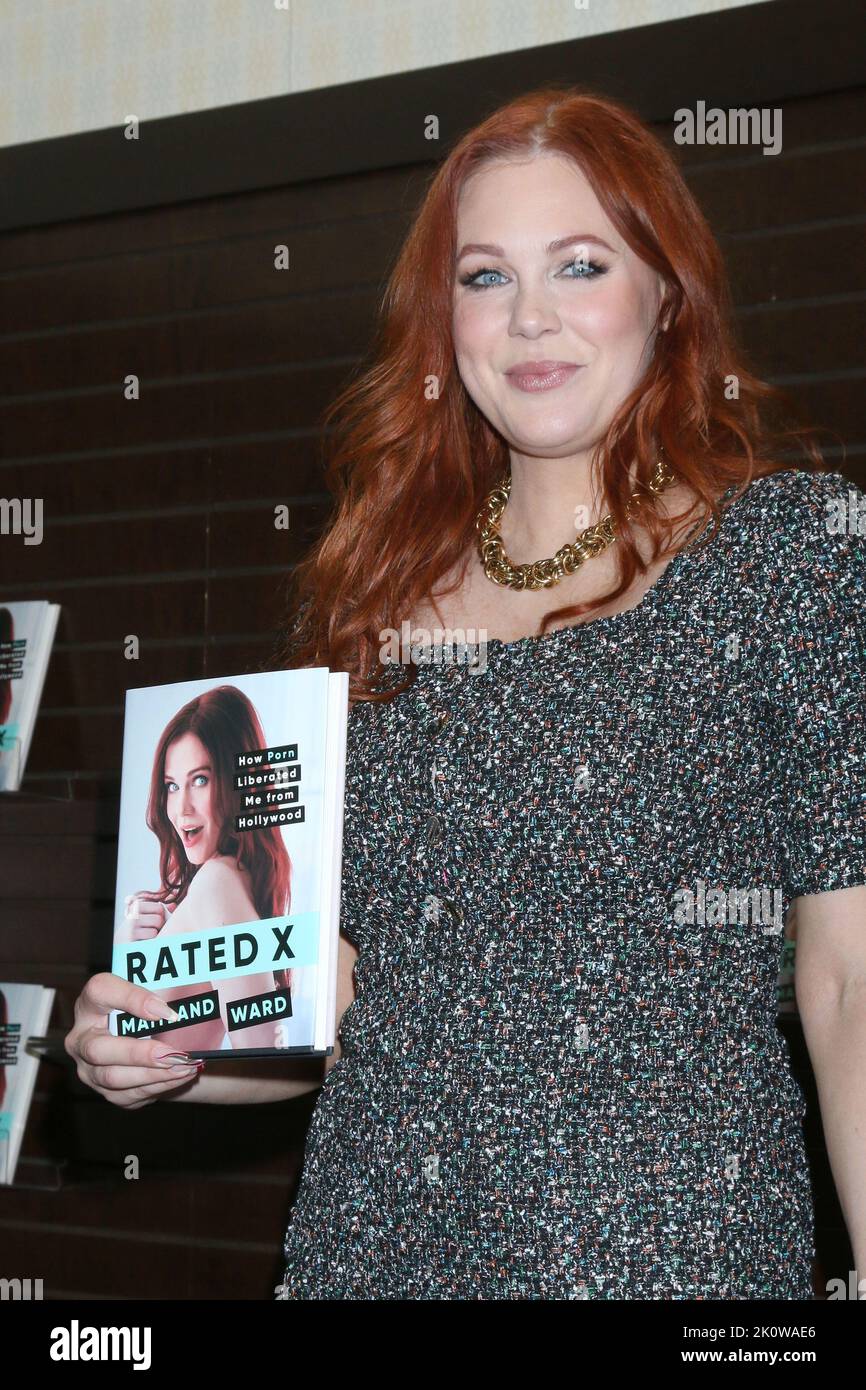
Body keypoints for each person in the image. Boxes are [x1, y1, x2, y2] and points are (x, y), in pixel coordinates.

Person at [65, 86, 866, 1300]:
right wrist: (164, 1053)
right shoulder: (363, 597)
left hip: (674, 1257)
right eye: (484, 277)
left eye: (580, 265)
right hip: (369, 1254)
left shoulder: (794, 555)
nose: (530, 317)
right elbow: (318, 1008)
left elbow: (847, 980)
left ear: (667, 292)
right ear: (443, 323)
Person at [118, 684, 294, 1052]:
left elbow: (264, 1053)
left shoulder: (219, 883)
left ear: (237, 783)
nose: (181, 809)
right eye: (171, 785)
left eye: (200, 779)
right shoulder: (220, 881)